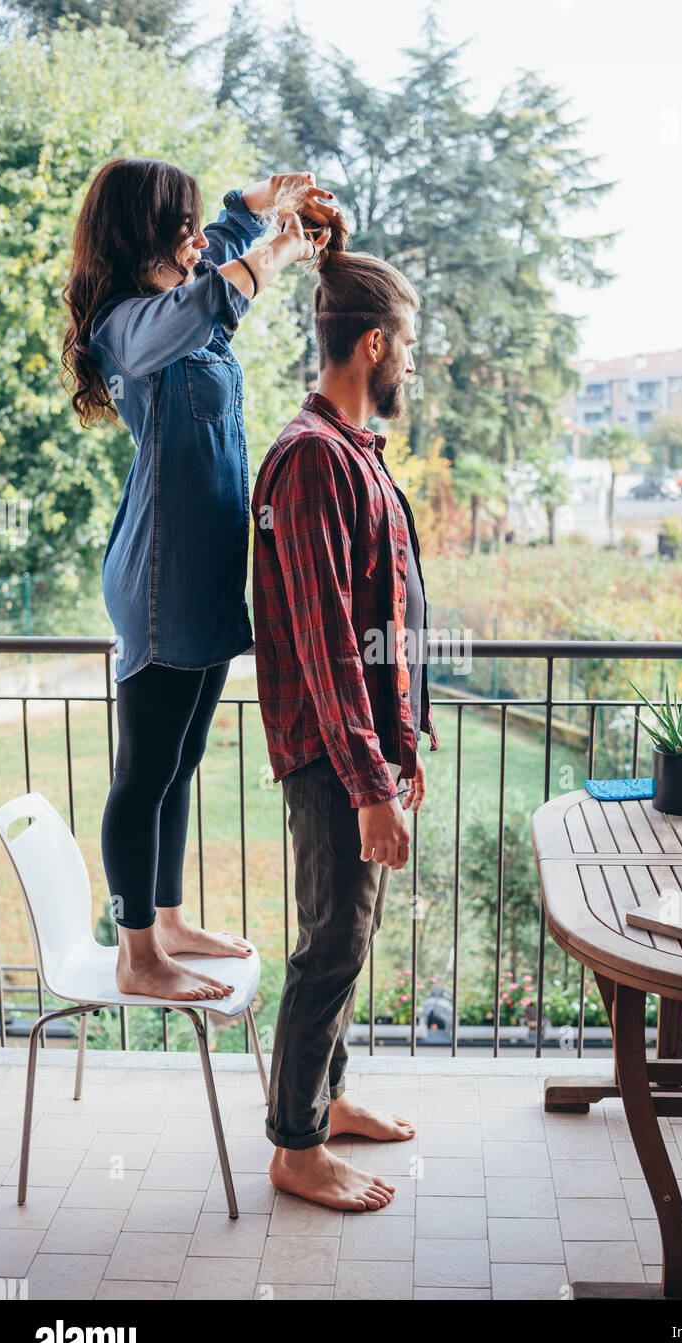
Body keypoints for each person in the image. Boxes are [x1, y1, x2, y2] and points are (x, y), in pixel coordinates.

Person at [62, 158, 333, 1002]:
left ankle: (168, 920)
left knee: (179, 766)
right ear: (144, 229)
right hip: (161, 577)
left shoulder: (180, 297)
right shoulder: (128, 324)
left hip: (208, 572)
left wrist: (259, 206)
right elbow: (209, 294)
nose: (193, 236)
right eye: (176, 221)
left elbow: (216, 251)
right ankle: (135, 953)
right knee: (142, 772)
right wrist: (280, 254)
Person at [252, 208, 439, 1211]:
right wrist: (369, 781)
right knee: (329, 942)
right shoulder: (313, 458)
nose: (409, 359)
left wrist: (401, 744)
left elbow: (383, 611)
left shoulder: (346, 447)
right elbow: (328, 644)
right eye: (406, 342)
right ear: (373, 343)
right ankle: (294, 1147)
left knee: (348, 936)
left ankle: (324, 1101)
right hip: (328, 755)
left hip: (357, 749)